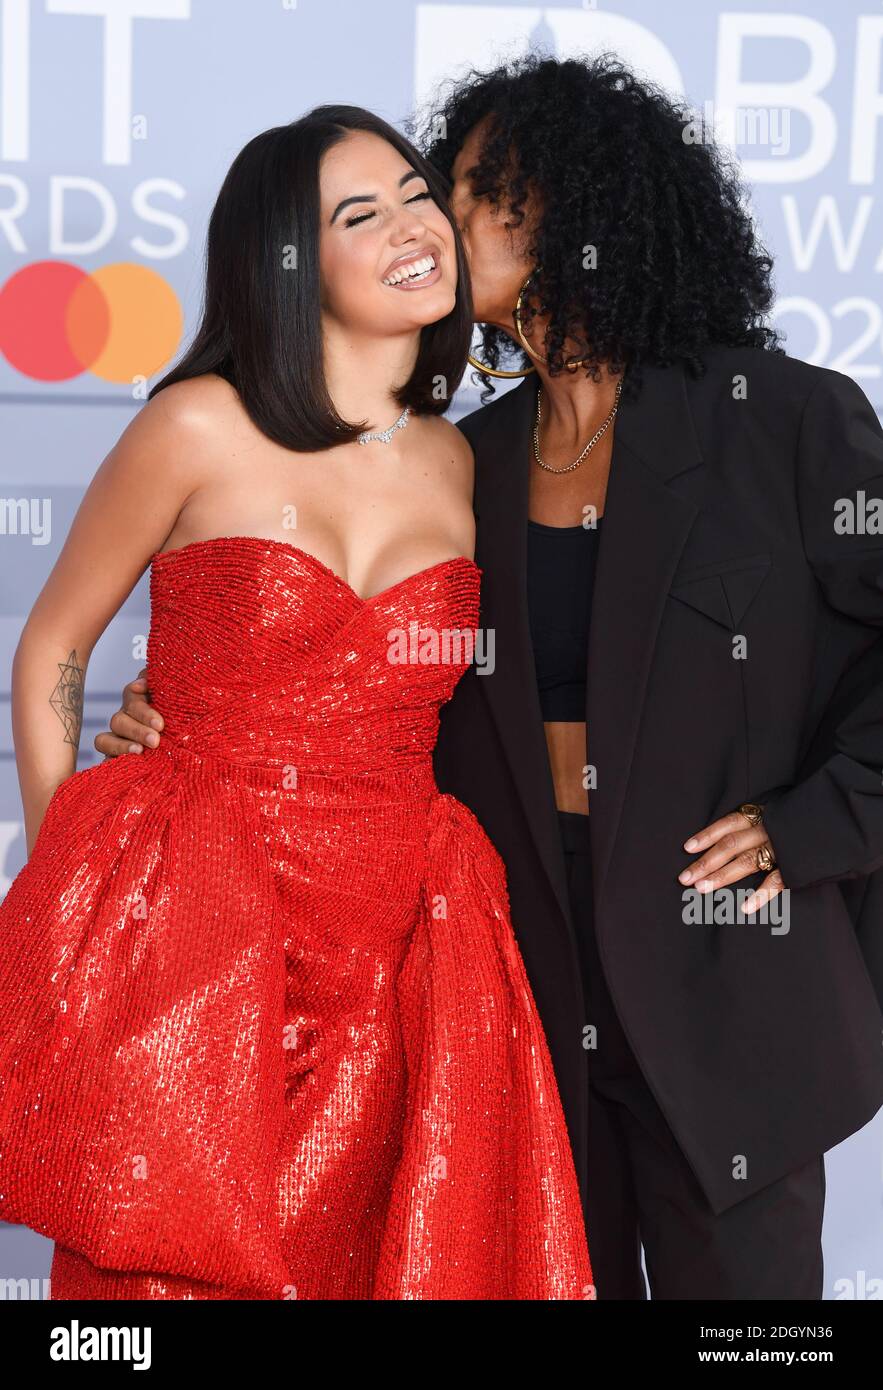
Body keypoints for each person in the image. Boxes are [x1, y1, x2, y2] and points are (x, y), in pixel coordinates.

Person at [107, 53, 883, 1300]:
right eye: (437, 193)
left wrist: (814, 825)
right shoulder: (458, 459)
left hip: (725, 973)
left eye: (482, 194)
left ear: (588, 205)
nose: (443, 223)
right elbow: (360, 679)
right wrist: (187, 711)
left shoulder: (779, 419)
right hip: (518, 975)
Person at [0, 105, 594, 1301]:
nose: (412, 226)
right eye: (356, 214)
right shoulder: (196, 424)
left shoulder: (461, 459)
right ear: (284, 258)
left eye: (418, 194)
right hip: (201, 940)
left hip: (399, 946)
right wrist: (88, 897)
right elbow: (54, 644)